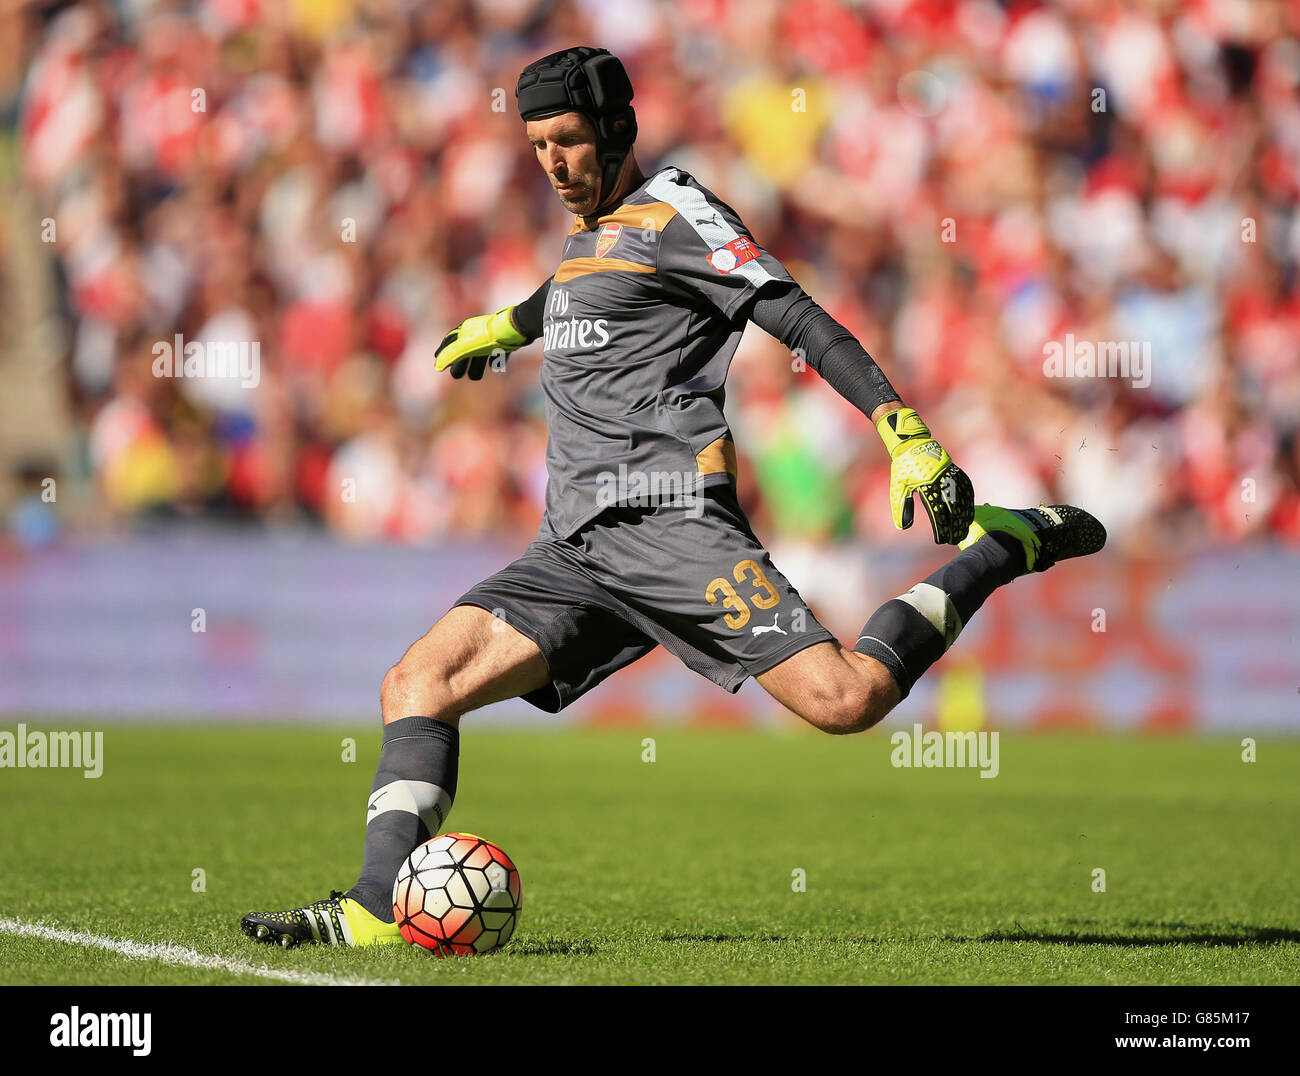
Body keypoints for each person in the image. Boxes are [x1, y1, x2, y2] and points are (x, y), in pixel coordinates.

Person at [241, 46, 1104, 948]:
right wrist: (507, 324)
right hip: (573, 548)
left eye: (569, 140)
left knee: (846, 701)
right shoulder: (591, 232)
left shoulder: (680, 211)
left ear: (618, 129)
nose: (553, 163)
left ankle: (997, 550)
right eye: (537, 146)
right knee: (417, 680)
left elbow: (794, 311)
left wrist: (901, 427)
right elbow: (578, 288)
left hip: (673, 531)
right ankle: (378, 911)